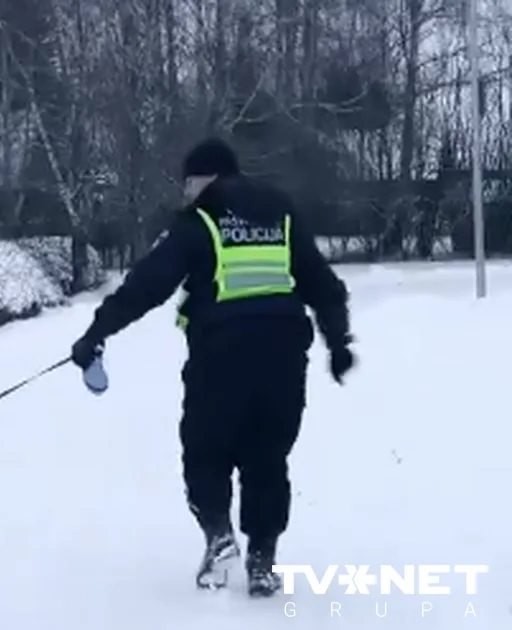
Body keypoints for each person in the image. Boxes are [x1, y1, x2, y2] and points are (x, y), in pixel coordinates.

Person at [69, 137, 356, 597]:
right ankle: (262, 557)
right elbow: (323, 283)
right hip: (284, 359)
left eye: (188, 182)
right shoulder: (281, 216)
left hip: (221, 358)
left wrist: (97, 333)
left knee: (206, 450)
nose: (185, 191)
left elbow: (148, 284)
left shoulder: (201, 219)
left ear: (204, 179)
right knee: (267, 457)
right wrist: (338, 341)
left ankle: (219, 533)